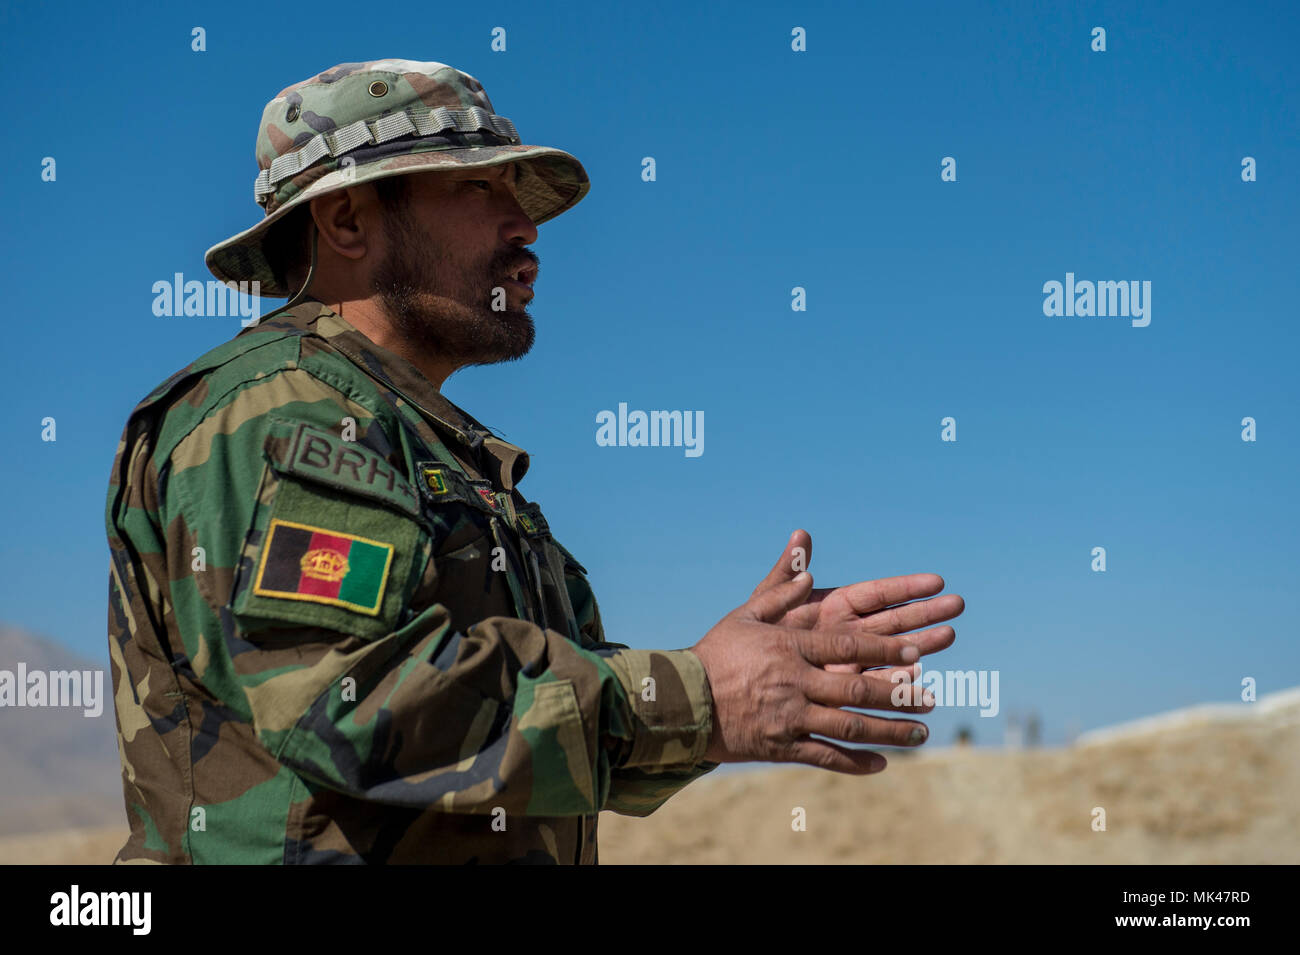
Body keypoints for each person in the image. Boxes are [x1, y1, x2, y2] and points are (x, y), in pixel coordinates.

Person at [104, 59, 964, 864]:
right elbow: (352, 701)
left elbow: (533, 745)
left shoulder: (435, 444)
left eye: (517, 192)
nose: (526, 229)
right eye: (478, 187)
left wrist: (734, 681)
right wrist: (698, 694)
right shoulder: (283, 412)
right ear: (347, 218)